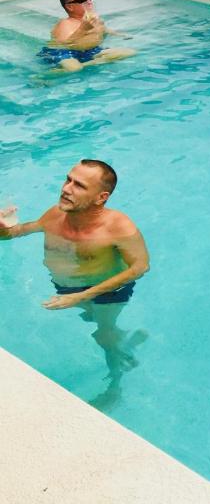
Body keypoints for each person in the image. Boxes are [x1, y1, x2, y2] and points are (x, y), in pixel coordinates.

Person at [0, 160, 150, 405]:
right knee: (91, 317)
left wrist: (81, 296)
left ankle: (114, 387)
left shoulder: (118, 227)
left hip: (106, 291)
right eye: (68, 179)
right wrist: (2, 229)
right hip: (69, 287)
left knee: (103, 334)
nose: (66, 188)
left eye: (79, 185)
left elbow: (140, 266)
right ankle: (122, 341)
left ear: (101, 197)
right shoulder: (56, 214)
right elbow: (18, 232)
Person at [40, 0, 135, 71]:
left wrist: (120, 35)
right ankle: (40, 76)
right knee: (74, 68)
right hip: (63, 52)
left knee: (128, 52)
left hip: (88, 50)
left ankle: (85, 64)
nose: (89, 1)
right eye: (83, 0)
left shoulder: (93, 19)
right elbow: (66, 44)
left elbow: (104, 29)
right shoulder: (65, 23)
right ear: (70, 7)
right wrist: (83, 29)